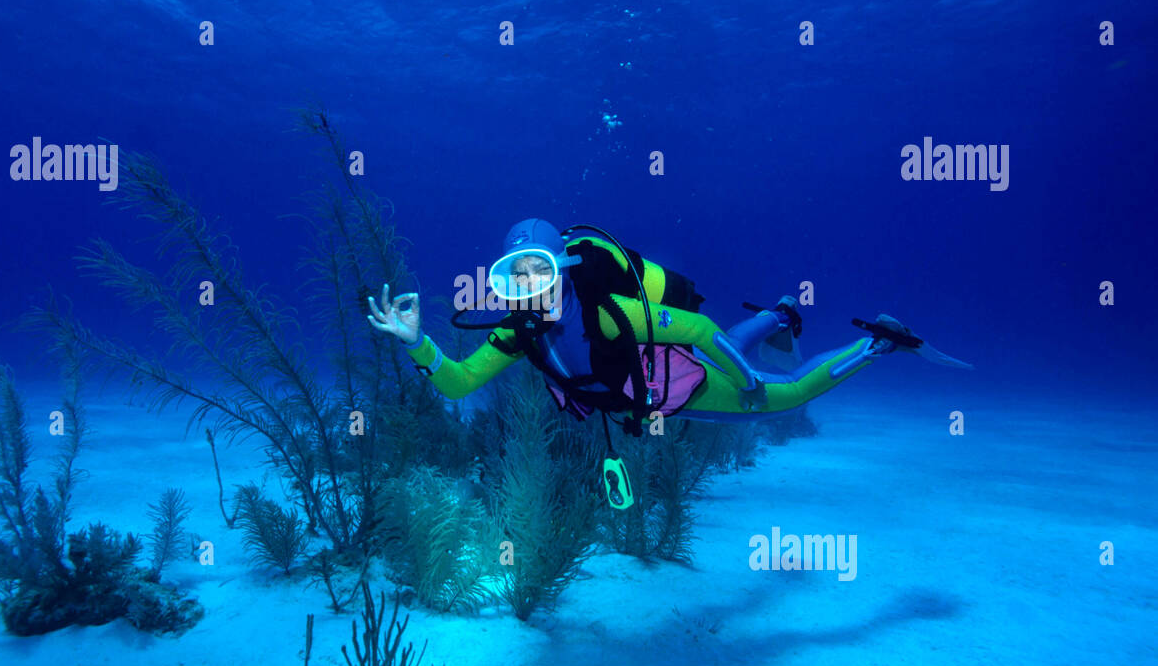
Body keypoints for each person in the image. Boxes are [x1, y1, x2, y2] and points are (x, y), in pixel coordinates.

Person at [366, 219, 970, 503]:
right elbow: (459, 382)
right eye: (516, 277)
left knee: (788, 396)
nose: (531, 287)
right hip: (642, 392)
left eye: (541, 271)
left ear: (564, 269)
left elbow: (702, 331)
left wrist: (746, 382)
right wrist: (416, 340)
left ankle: (879, 342)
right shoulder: (518, 333)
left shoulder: (613, 313)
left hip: (678, 388)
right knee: (739, 338)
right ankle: (783, 312)